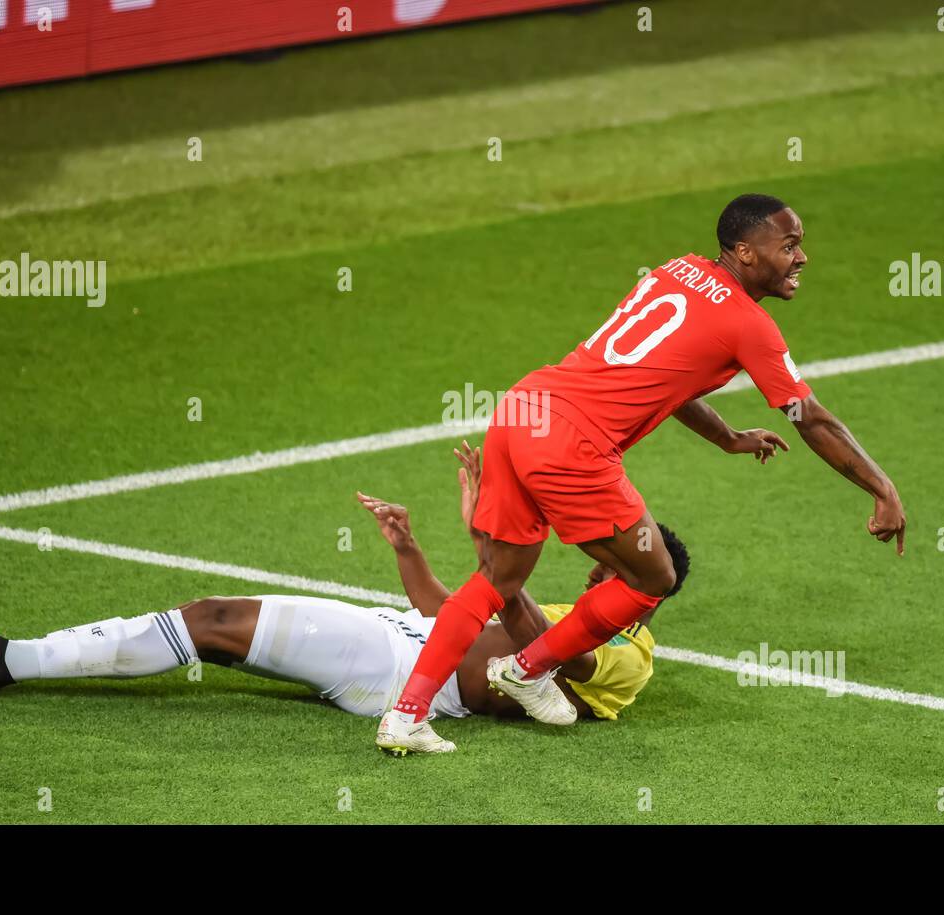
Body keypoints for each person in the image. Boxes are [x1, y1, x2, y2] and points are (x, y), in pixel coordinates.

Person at [376, 193, 906, 754]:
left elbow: (667, 375)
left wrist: (727, 437)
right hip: (571, 441)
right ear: (746, 253)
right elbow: (811, 419)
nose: (802, 258)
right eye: (790, 246)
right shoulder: (752, 324)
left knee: (497, 578)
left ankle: (407, 716)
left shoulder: (679, 269)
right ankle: (528, 668)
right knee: (654, 578)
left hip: (524, 406)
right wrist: (882, 488)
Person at [0, 448, 689, 750]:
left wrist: (500, 550)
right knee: (212, 618)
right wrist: (411, 552)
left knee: (211, 619)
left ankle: (2, 662)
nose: (598, 569)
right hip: (401, 636)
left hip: (392, 671)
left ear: (652, 588)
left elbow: (531, 661)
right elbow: (452, 613)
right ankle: (5, 662)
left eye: (615, 565)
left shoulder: (628, 659)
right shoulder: (577, 608)